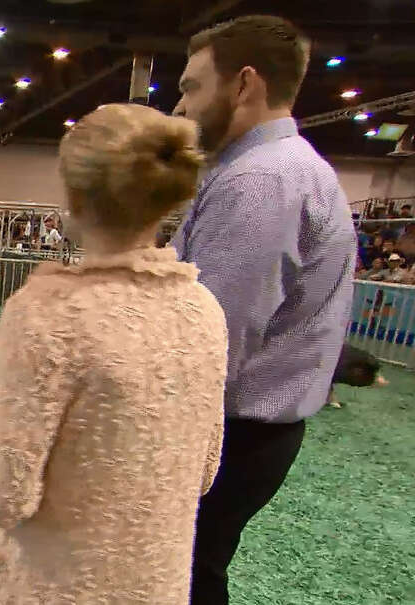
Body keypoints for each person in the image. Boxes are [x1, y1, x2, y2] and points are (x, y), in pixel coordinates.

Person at [0, 103, 226, 604]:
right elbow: (206, 470)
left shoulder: (48, 311)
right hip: (156, 578)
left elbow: (6, 493)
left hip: (58, 581)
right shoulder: (204, 307)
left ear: (74, 195)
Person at [170, 16, 356, 605]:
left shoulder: (261, 181)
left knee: (185, 577)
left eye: (192, 86)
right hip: (241, 427)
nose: (181, 107)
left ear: (244, 85)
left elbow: (213, 338)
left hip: (230, 428)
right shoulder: (264, 170)